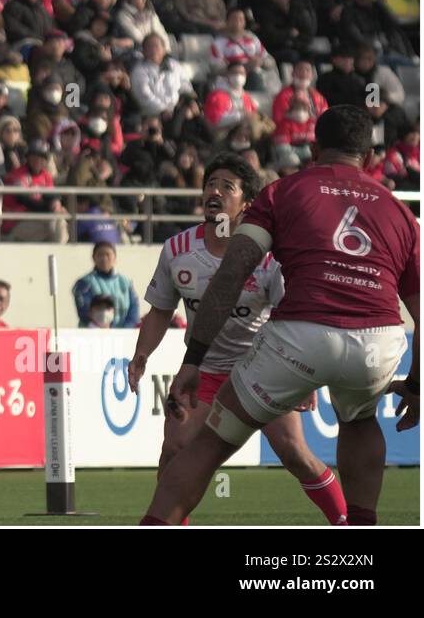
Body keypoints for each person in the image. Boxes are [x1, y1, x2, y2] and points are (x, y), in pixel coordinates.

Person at [143, 106, 420, 526]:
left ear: (313, 149)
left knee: (209, 444)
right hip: (377, 339)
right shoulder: (400, 212)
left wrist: (193, 357)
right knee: (360, 420)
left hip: (301, 335)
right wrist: (417, 382)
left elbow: (232, 273)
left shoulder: (283, 192)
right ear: (369, 157)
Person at [131, 152, 347, 523]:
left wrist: (303, 376)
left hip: (262, 369)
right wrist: (141, 355)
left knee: (294, 452)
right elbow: (161, 311)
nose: (214, 191)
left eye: (226, 186)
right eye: (210, 184)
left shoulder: (266, 256)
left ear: (246, 203)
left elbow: (291, 313)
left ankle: (346, 522)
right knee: (175, 450)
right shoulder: (177, 250)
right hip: (205, 370)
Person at [72, 242, 141, 328]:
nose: (104, 258)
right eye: (100, 255)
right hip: (92, 333)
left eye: (108, 255)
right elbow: (84, 311)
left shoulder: (126, 283)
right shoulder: (84, 282)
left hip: (123, 335)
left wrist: (125, 330)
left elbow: (134, 310)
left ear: (115, 258)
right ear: (93, 258)